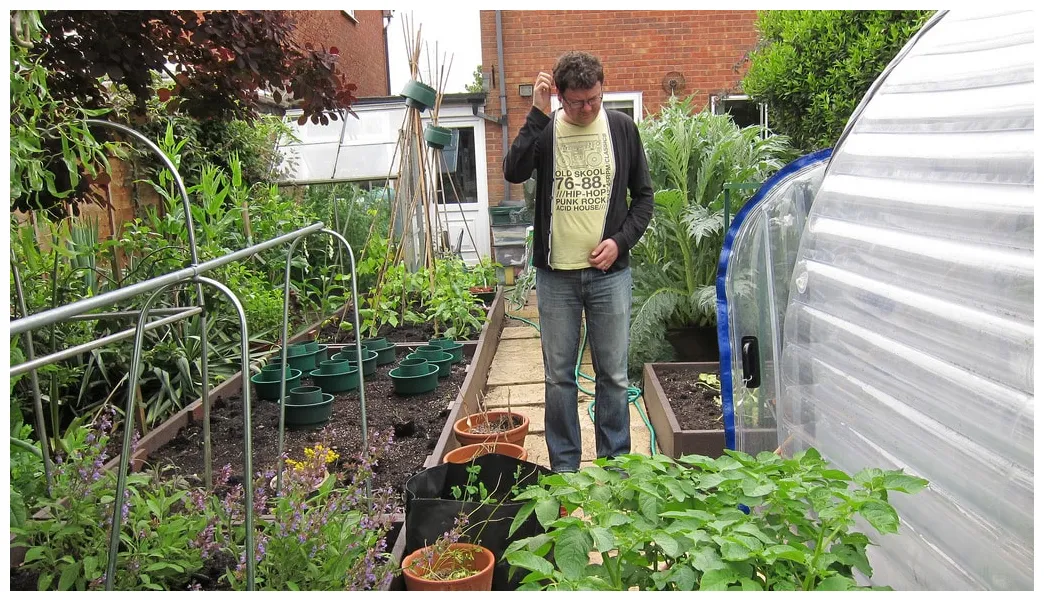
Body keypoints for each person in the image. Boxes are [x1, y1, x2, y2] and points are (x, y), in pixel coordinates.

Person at [503, 51, 654, 472]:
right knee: (559, 378)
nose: (586, 109)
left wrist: (619, 242)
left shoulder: (621, 129)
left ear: (602, 90)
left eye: (594, 99)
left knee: (614, 376)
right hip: (556, 279)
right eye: (576, 102)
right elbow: (513, 171)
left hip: (609, 277)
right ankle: (565, 469)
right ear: (560, 97)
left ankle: (615, 466)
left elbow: (644, 199)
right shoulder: (547, 131)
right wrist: (536, 112)